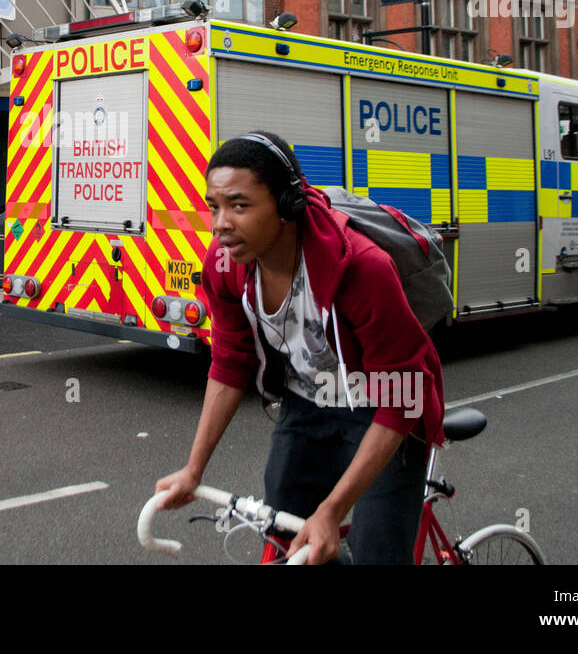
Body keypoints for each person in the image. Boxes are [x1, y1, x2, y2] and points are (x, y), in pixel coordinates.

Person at [154, 131, 445, 565]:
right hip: (307, 405)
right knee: (286, 538)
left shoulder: (362, 268)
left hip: (382, 413)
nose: (220, 224)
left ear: (287, 206)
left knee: (377, 553)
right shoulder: (224, 264)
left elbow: (401, 400)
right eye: (215, 206)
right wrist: (193, 471)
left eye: (239, 205)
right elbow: (231, 362)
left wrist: (331, 510)